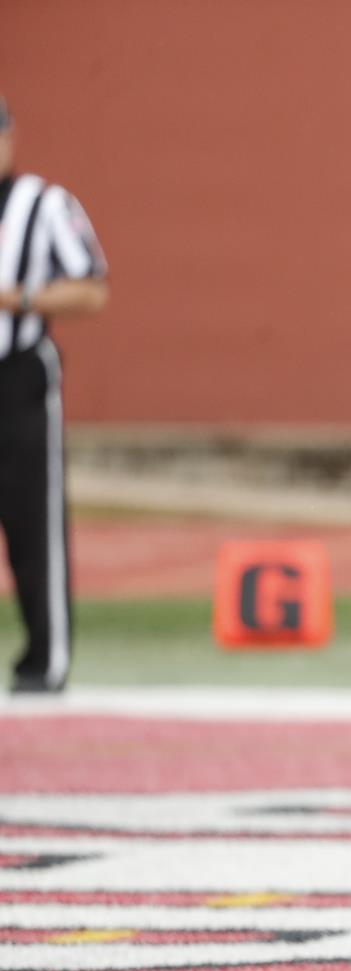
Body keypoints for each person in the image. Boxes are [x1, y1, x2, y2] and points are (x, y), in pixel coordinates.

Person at [0, 96, 110, 694]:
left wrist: (17, 299)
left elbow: (93, 289)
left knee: (31, 522)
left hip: (17, 374)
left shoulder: (43, 205)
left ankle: (45, 660)